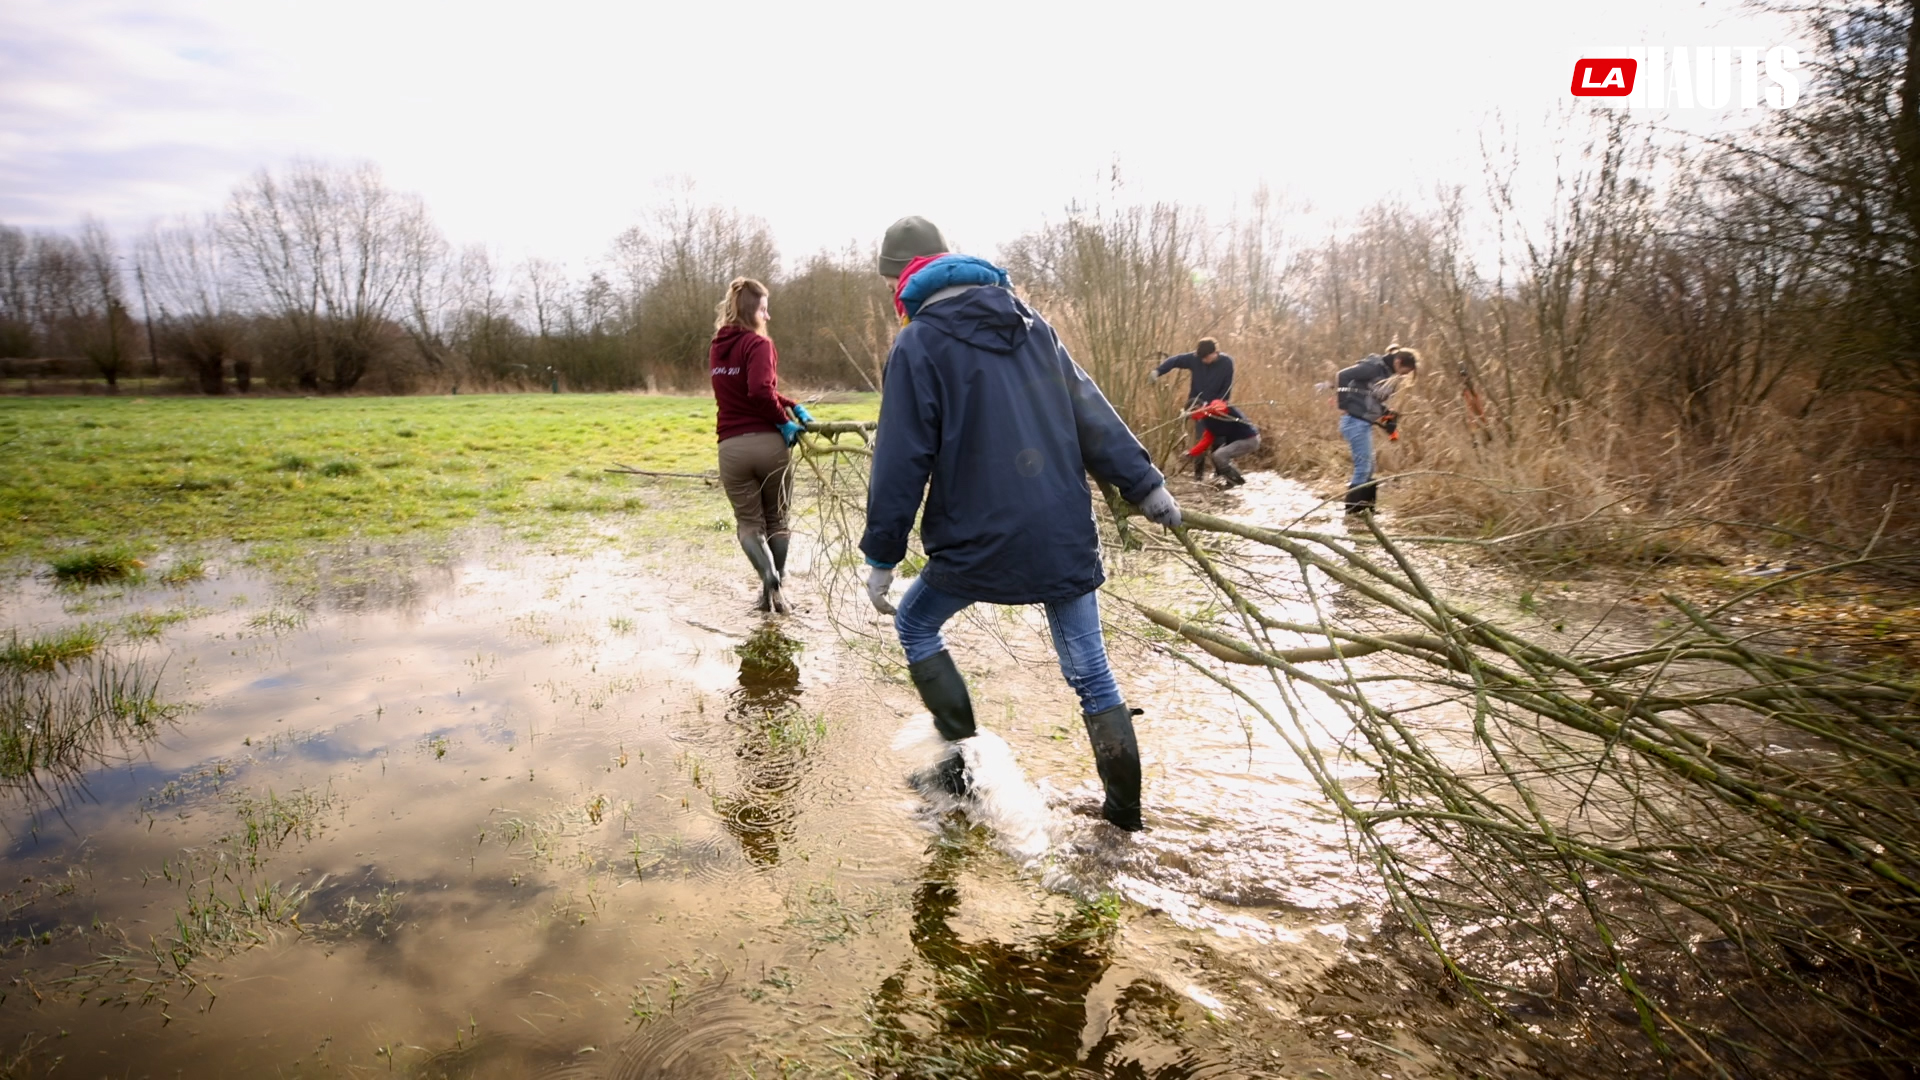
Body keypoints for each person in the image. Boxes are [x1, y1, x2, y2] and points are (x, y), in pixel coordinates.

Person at [860, 215, 1183, 833]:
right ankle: (1123, 825)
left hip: (977, 542)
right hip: (1062, 530)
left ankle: (959, 771)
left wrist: (882, 557)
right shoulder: (1031, 324)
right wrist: (1146, 485)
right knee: (1092, 673)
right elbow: (1091, 410)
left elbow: (902, 459)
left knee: (916, 622)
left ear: (903, 279)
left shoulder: (918, 343)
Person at [710, 276, 813, 613]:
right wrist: (784, 421)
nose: (767, 317)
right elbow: (757, 391)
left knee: (748, 525)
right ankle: (776, 586)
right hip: (769, 446)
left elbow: (749, 389)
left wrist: (789, 401)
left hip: (731, 449)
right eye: (764, 310)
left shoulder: (717, 346)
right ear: (752, 312)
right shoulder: (759, 345)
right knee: (777, 522)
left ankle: (765, 577)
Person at [1334, 344, 1419, 513]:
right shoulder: (1372, 368)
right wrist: (1343, 403)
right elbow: (1342, 375)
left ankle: (1367, 510)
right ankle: (1354, 513)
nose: (1403, 375)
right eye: (1404, 371)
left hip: (1363, 423)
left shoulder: (1386, 374)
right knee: (1363, 467)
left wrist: (1387, 414)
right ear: (1398, 361)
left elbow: (1370, 400)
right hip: (1354, 422)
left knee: (1370, 467)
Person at [1153, 338, 1235, 479]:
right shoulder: (1195, 359)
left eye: (1206, 358)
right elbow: (1175, 360)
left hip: (1218, 408)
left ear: (1215, 353)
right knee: (1201, 440)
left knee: (1219, 442)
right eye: (1201, 358)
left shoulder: (1227, 363)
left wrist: (1218, 405)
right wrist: (1157, 371)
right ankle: (1198, 477)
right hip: (1199, 408)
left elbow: (1227, 389)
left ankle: (1220, 476)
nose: (1203, 360)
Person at [1185, 399, 1260, 488]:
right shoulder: (1208, 421)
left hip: (1249, 439)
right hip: (1243, 440)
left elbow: (1222, 407)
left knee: (1219, 455)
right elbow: (1206, 440)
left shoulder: (1215, 406)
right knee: (1218, 455)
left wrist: (1205, 410)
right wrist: (1191, 453)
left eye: (1191, 415)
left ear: (1197, 408)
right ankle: (1234, 480)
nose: (1192, 418)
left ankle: (1237, 482)